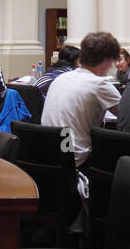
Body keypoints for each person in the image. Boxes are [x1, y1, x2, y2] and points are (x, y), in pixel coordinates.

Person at [42, 30, 121, 166]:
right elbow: (127, 116)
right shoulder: (99, 84)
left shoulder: (62, 78)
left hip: (48, 155)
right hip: (76, 161)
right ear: (106, 61)